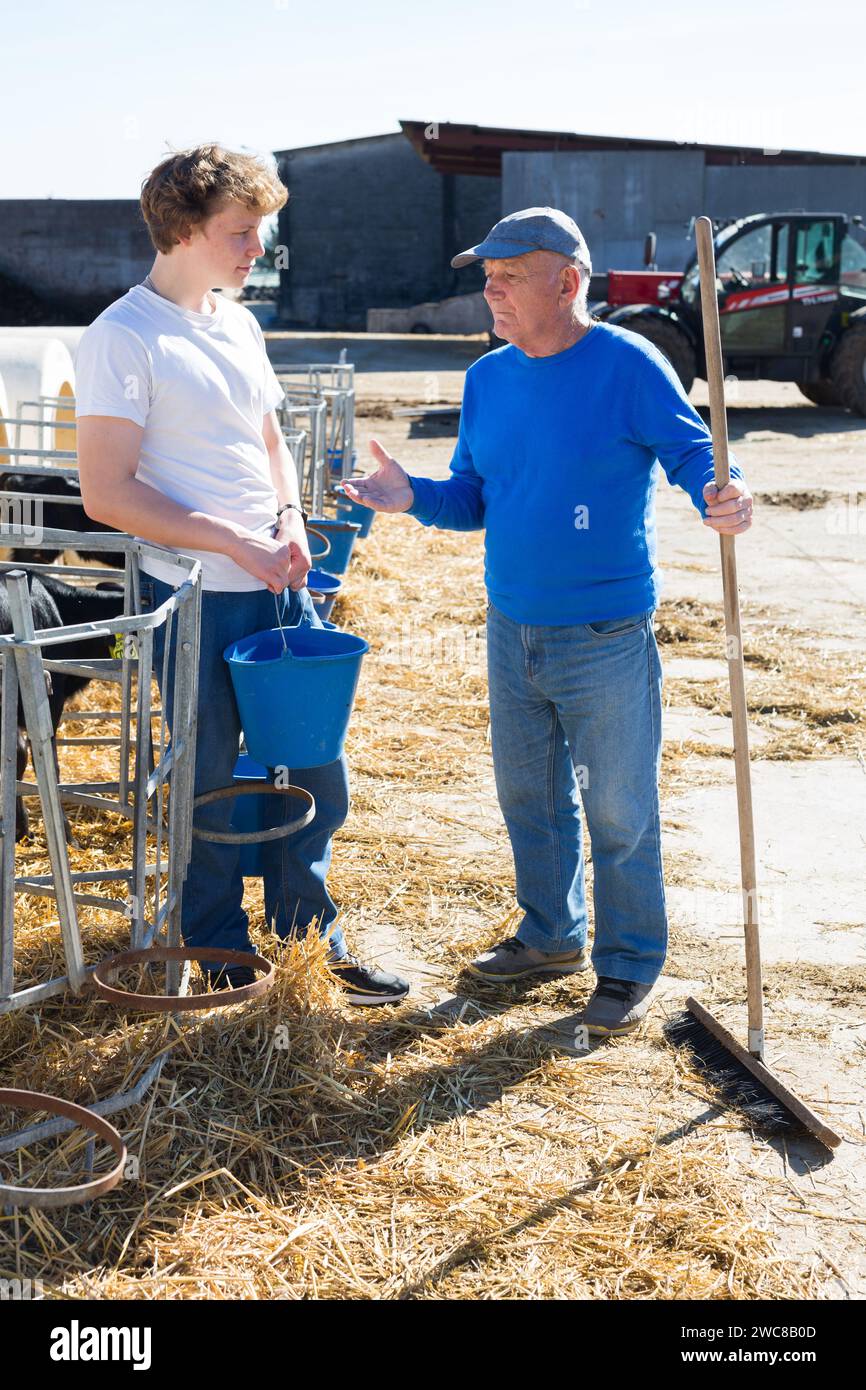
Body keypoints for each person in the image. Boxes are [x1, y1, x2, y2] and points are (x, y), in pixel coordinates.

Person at [344, 207, 754, 1036]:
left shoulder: (628, 364)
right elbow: (474, 498)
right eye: (485, 276)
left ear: (567, 282)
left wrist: (726, 490)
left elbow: (695, 453)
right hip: (511, 625)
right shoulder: (488, 378)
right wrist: (411, 495)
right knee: (528, 795)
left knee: (617, 807)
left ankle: (629, 961)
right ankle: (549, 935)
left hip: (604, 633)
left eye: (506, 275)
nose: (488, 290)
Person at [75, 143, 408, 1006]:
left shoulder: (236, 321)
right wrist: (233, 541)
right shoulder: (123, 336)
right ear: (184, 230)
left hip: (276, 579)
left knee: (308, 765)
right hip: (194, 596)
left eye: (260, 229)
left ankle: (309, 936)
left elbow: (269, 445)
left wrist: (290, 523)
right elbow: (106, 493)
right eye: (242, 231)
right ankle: (223, 953)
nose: (258, 247)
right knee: (215, 778)